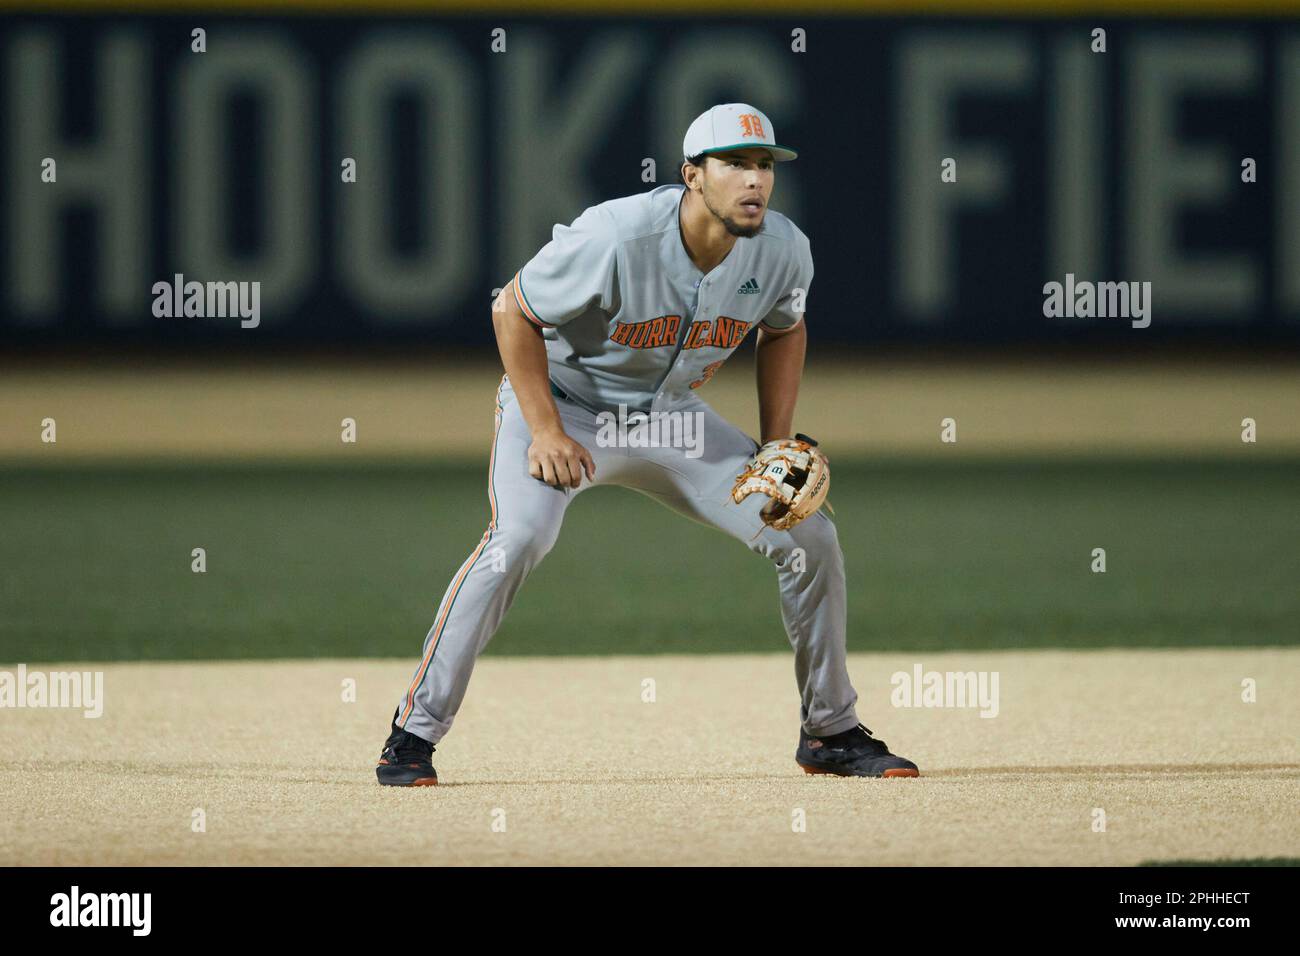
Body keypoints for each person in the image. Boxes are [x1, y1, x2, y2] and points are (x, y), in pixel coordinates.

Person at [376, 103, 919, 786]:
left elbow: (785, 329)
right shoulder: (614, 235)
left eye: (763, 166)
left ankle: (831, 732)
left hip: (671, 420)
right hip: (564, 409)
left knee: (807, 537)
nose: (754, 180)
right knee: (517, 540)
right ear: (692, 175)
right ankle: (412, 735)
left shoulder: (784, 248)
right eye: (734, 165)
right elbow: (510, 308)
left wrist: (775, 445)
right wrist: (543, 427)